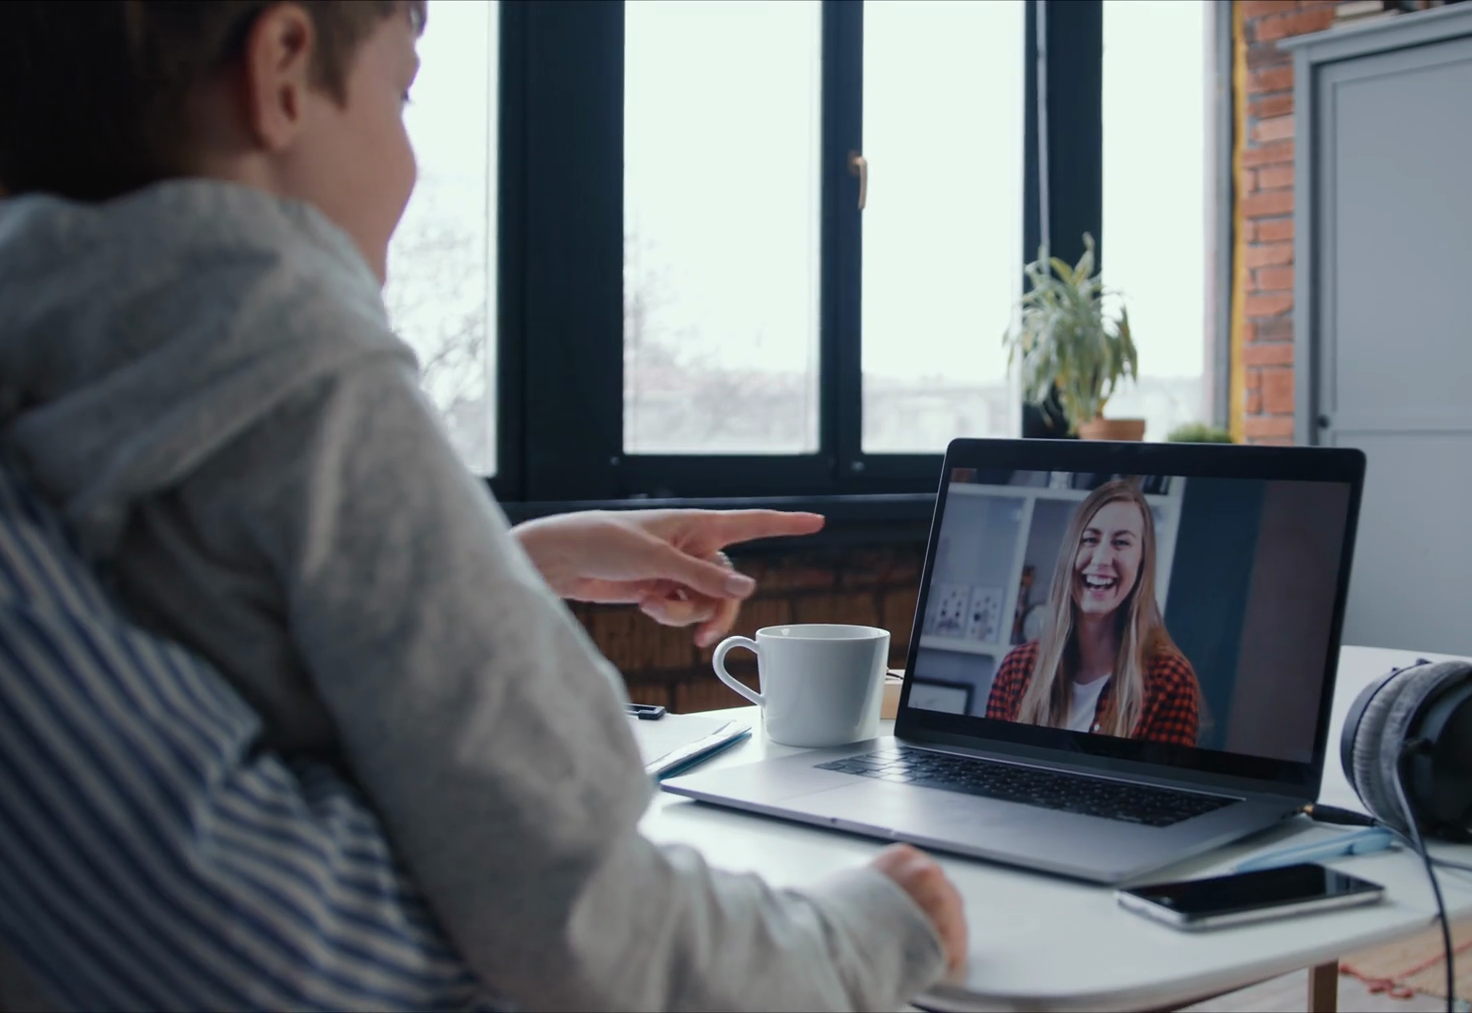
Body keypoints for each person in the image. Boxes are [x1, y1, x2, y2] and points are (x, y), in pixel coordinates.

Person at [0, 2, 965, 1009]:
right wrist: (862, 939)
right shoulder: (302, 373)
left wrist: (505, 558)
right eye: (401, 90)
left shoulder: (49, 351)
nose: (411, 162)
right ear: (283, 70)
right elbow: (587, 911)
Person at [985, 479, 1201, 746]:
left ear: (1142, 562)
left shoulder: (1169, 680)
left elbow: (1156, 788)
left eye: (1121, 542)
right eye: (1090, 539)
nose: (1100, 559)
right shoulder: (1015, 669)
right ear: (1070, 554)